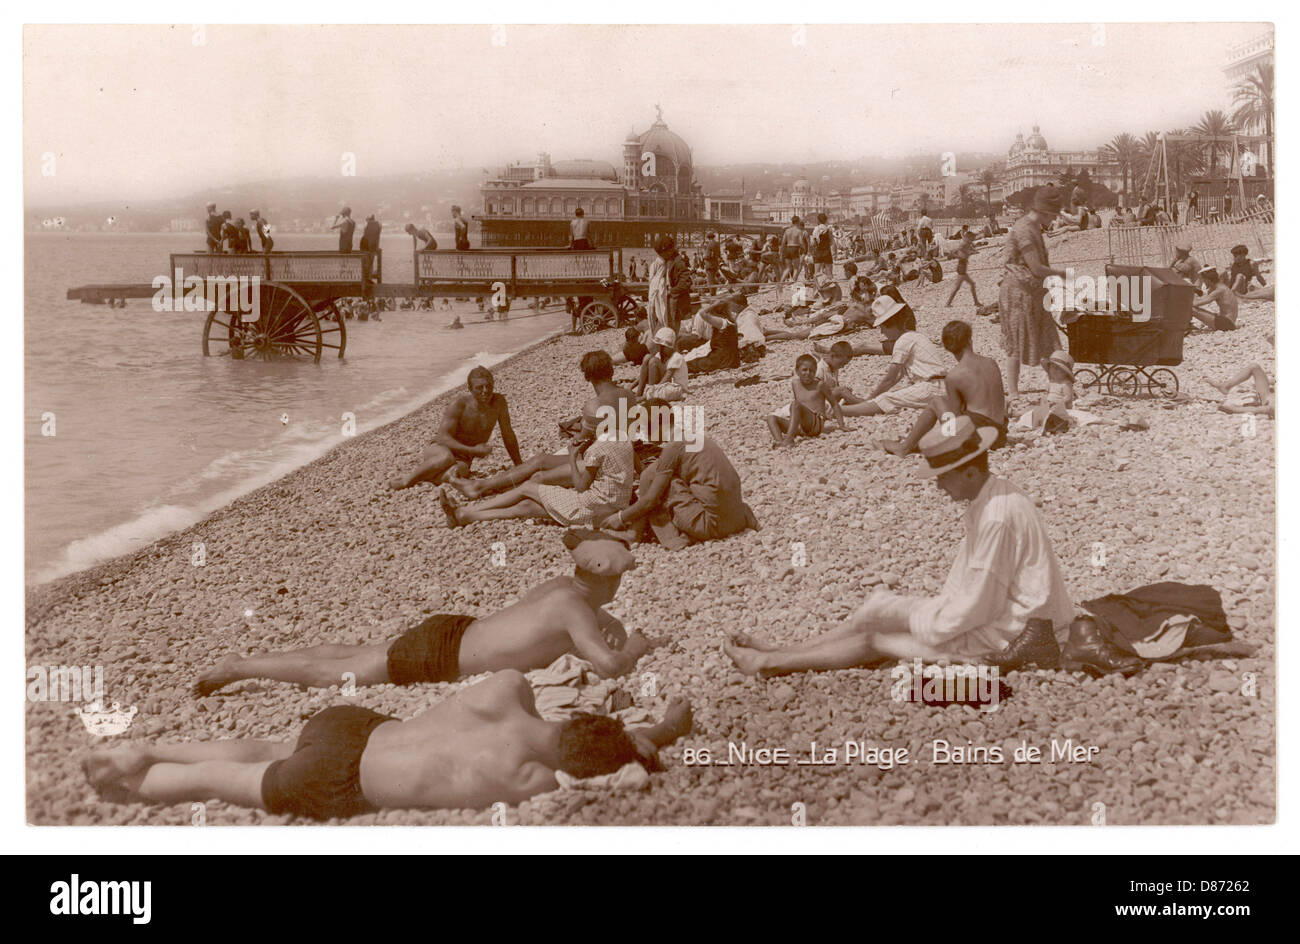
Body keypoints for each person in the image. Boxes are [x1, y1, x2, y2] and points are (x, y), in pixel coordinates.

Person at [724, 416, 1076, 674]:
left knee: (876, 640)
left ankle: (771, 662)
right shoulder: (995, 493)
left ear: (969, 471)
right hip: (998, 613)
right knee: (878, 610)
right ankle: (785, 650)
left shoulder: (996, 516)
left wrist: (921, 620)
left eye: (943, 477)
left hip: (1011, 630)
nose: (939, 487)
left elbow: (978, 606)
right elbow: (976, 590)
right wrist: (917, 613)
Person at [88, 669, 692, 819]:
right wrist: (655, 738)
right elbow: (608, 779)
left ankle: (148, 748)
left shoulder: (509, 691)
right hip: (344, 783)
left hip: (351, 726)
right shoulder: (525, 780)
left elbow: (578, 740)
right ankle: (126, 788)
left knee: (260, 747)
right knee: (221, 783)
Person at [196, 531, 653, 695]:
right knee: (333, 674)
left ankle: (245, 663)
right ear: (607, 579)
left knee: (357, 652)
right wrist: (637, 644)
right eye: (621, 577)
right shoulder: (573, 607)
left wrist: (609, 624)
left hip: (453, 630)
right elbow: (611, 666)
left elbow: (570, 621)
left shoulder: (563, 590)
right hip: (442, 656)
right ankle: (239, 668)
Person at [597, 401, 757, 550]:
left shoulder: (673, 447)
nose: (644, 433)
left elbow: (650, 500)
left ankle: (646, 536)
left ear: (655, 425)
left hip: (710, 525)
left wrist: (620, 517)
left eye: (644, 427)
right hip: (738, 518)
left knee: (651, 476)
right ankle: (636, 532)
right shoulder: (694, 438)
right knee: (659, 472)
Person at [440, 427, 635, 529]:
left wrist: (574, 457)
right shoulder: (625, 440)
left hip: (590, 509)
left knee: (526, 488)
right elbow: (639, 470)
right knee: (527, 508)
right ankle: (465, 516)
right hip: (614, 508)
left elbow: (581, 487)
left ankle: (468, 507)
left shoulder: (596, 450)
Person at [878, 319, 1007, 456]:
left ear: (948, 348)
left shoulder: (955, 376)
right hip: (999, 436)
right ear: (969, 340)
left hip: (978, 439)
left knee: (936, 402)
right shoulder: (991, 363)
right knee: (947, 402)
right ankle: (915, 443)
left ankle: (905, 447)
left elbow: (955, 416)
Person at [388, 366, 522, 489]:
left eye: (489, 386)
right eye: (479, 388)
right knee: (445, 458)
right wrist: (473, 450)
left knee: (457, 473)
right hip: (440, 448)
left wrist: (519, 465)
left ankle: (429, 476)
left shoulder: (499, 403)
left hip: (464, 457)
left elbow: (508, 434)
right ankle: (408, 479)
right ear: (470, 389)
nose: (485, 391)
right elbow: (442, 438)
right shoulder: (459, 405)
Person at [999, 185, 1066, 395]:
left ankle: (1058, 383)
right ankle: (1013, 392)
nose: (1053, 221)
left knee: (1048, 338)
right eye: (1053, 215)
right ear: (1045, 212)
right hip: (1019, 292)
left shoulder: (1033, 227)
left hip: (1033, 291)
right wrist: (1061, 274)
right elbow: (1036, 268)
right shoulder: (1024, 229)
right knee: (1016, 342)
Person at [839, 296, 948, 418]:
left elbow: (890, 379)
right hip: (943, 386)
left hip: (931, 388)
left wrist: (871, 398)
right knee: (890, 396)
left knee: (887, 398)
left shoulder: (902, 341)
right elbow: (898, 375)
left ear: (890, 324)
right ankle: (854, 406)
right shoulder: (914, 335)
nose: (882, 333)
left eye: (882, 328)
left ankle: (837, 411)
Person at [766, 353, 848, 446]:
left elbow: (834, 404)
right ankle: (780, 442)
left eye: (812, 371)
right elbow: (800, 403)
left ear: (815, 371)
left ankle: (789, 439)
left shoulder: (820, 385)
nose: (808, 373)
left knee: (795, 404)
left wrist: (841, 425)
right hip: (801, 426)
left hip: (815, 424)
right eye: (804, 370)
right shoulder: (795, 383)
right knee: (771, 418)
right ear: (797, 371)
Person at [635, 328, 689, 402]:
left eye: (661, 346)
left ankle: (647, 397)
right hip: (665, 385)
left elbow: (667, 377)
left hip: (677, 388)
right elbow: (643, 375)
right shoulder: (660, 355)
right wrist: (632, 386)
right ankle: (640, 393)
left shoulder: (676, 357)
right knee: (648, 358)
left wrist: (653, 389)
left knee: (653, 362)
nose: (659, 348)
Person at [946, 230, 981, 307]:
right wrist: (961, 256)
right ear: (968, 237)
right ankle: (948, 303)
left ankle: (976, 302)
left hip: (963, 267)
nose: (974, 238)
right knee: (958, 287)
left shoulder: (968, 244)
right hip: (961, 267)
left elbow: (969, 250)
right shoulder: (964, 244)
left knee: (969, 285)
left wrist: (972, 252)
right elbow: (955, 252)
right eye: (972, 237)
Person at [780, 217, 808, 282]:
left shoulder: (787, 230)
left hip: (787, 248)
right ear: (798, 222)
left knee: (788, 268)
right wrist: (804, 248)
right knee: (796, 268)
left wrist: (781, 252)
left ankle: (781, 282)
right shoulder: (799, 231)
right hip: (795, 248)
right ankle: (793, 281)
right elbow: (801, 242)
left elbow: (783, 242)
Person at [811, 213, 834, 280]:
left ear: (818, 220)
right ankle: (831, 287)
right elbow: (832, 242)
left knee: (817, 273)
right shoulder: (828, 229)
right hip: (827, 251)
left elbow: (812, 243)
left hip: (818, 251)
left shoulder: (816, 229)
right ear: (826, 220)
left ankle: (815, 289)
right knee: (829, 272)